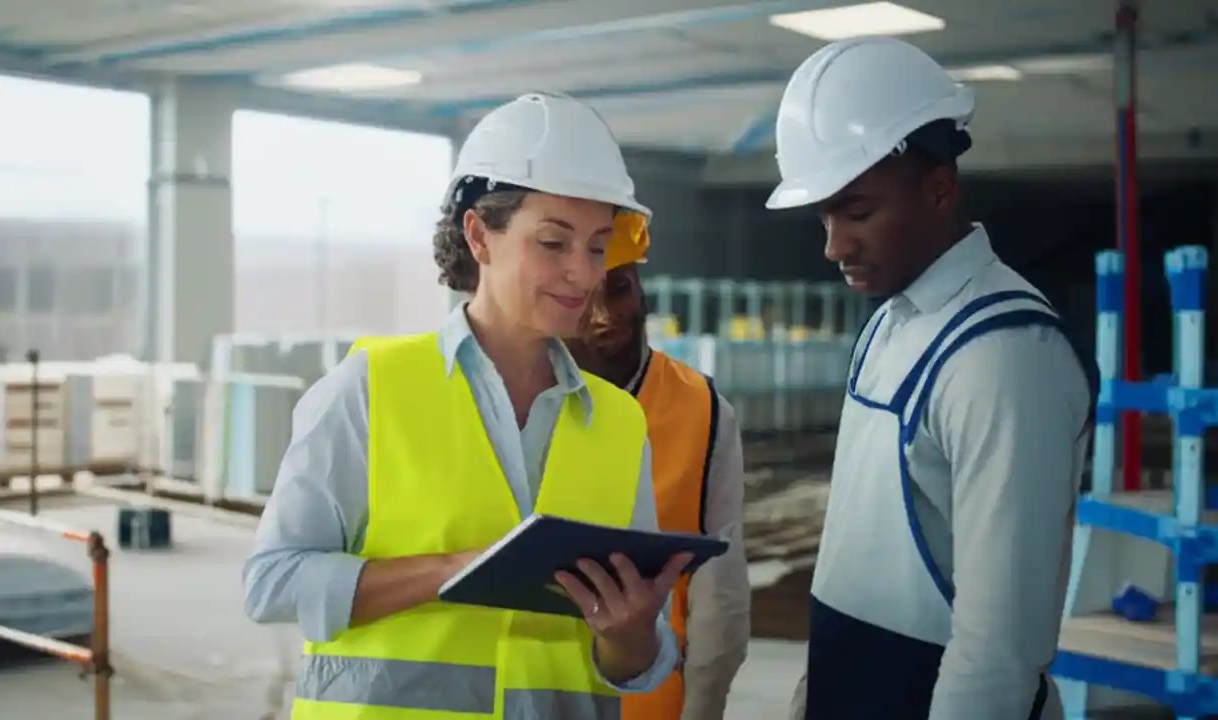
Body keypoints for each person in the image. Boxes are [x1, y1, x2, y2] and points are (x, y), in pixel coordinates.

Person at [242, 91, 692, 719]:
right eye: (554, 243)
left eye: (596, 247)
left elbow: (639, 666)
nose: (583, 275)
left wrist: (629, 636)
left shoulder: (618, 424)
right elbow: (271, 583)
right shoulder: (371, 387)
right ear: (479, 235)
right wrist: (457, 568)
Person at [765, 38, 1099, 720]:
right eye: (825, 217)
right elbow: (845, 574)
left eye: (858, 213)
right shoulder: (891, 324)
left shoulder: (1004, 355)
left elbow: (998, 652)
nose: (834, 246)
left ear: (940, 189)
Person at [567, 259, 752, 720]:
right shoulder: (518, 397)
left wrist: (704, 707)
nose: (604, 314)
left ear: (642, 292)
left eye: (618, 290)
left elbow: (720, 592)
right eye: (585, 298)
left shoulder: (703, 410)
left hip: (654, 702)